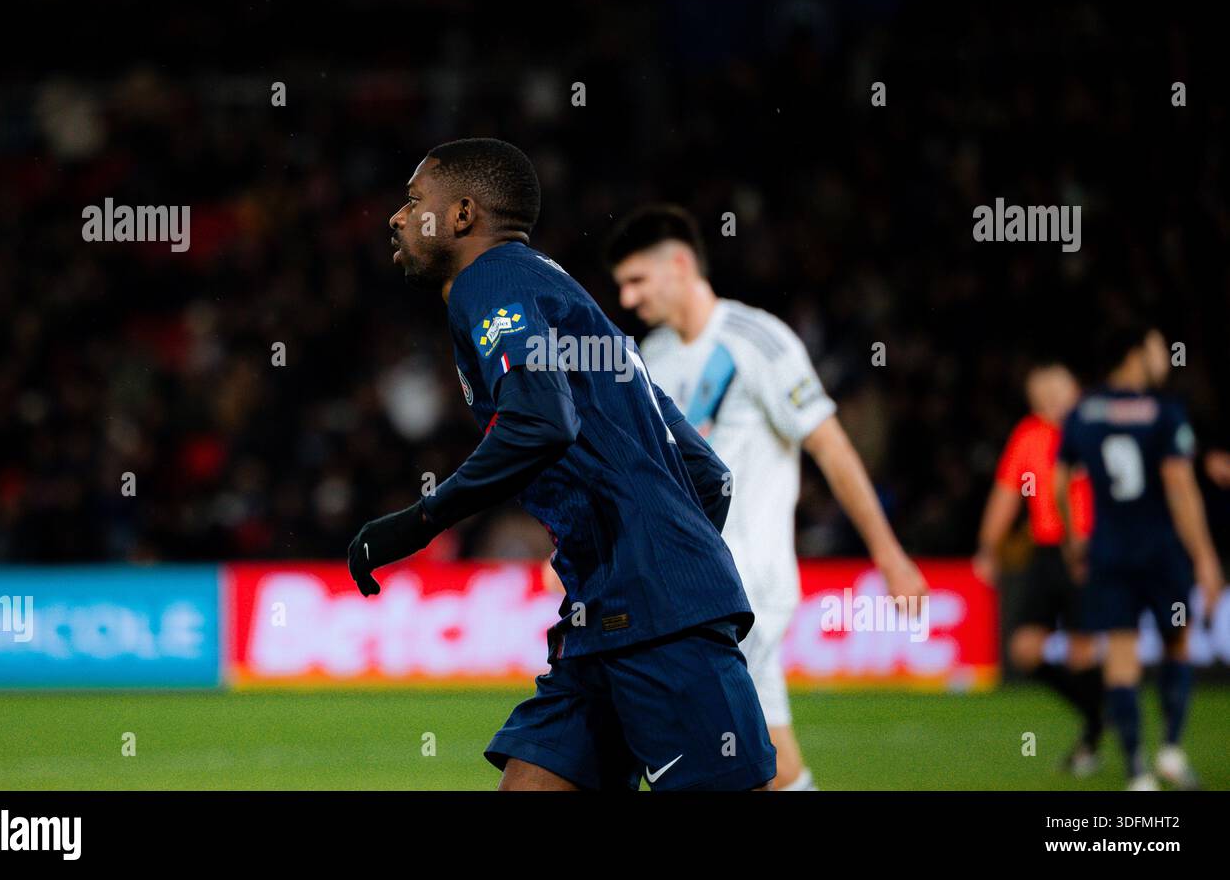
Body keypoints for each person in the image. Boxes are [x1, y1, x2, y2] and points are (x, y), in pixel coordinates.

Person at [347, 139, 776, 790]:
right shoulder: (562, 297)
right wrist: (638, 564)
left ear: (463, 215)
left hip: (654, 623)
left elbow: (540, 421)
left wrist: (420, 521)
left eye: (414, 201)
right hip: (608, 619)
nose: (397, 217)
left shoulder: (490, 280)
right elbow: (707, 475)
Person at [605, 203, 927, 790]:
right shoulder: (650, 357)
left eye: (635, 281)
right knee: (769, 755)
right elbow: (641, 476)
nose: (626, 299)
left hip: (745, 587)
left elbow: (832, 448)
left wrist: (889, 554)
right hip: (691, 589)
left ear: (679, 264)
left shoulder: (759, 341)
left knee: (702, 754)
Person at [1056, 324, 1225, 790]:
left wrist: (1073, 537)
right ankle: (1171, 749)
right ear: (1134, 355)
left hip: (1109, 554)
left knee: (1121, 659)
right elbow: (1180, 487)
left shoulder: (1084, 411)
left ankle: (1137, 771)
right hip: (1161, 552)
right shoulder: (1164, 412)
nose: (1165, 358)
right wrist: (1205, 555)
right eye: (1156, 349)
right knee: (1177, 643)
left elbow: (1059, 481)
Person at [973, 361, 1103, 776]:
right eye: (1040, 393)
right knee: (1025, 649)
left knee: (1083, 652)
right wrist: (988, 549)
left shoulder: (1096, 428)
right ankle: (1102, 714)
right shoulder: (1028, 435)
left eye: (1056, 390)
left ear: (1076, 390)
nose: (1048, 399)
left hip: (1090, 551)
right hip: (1047, 553)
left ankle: (1094, 736)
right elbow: (1006, 494)